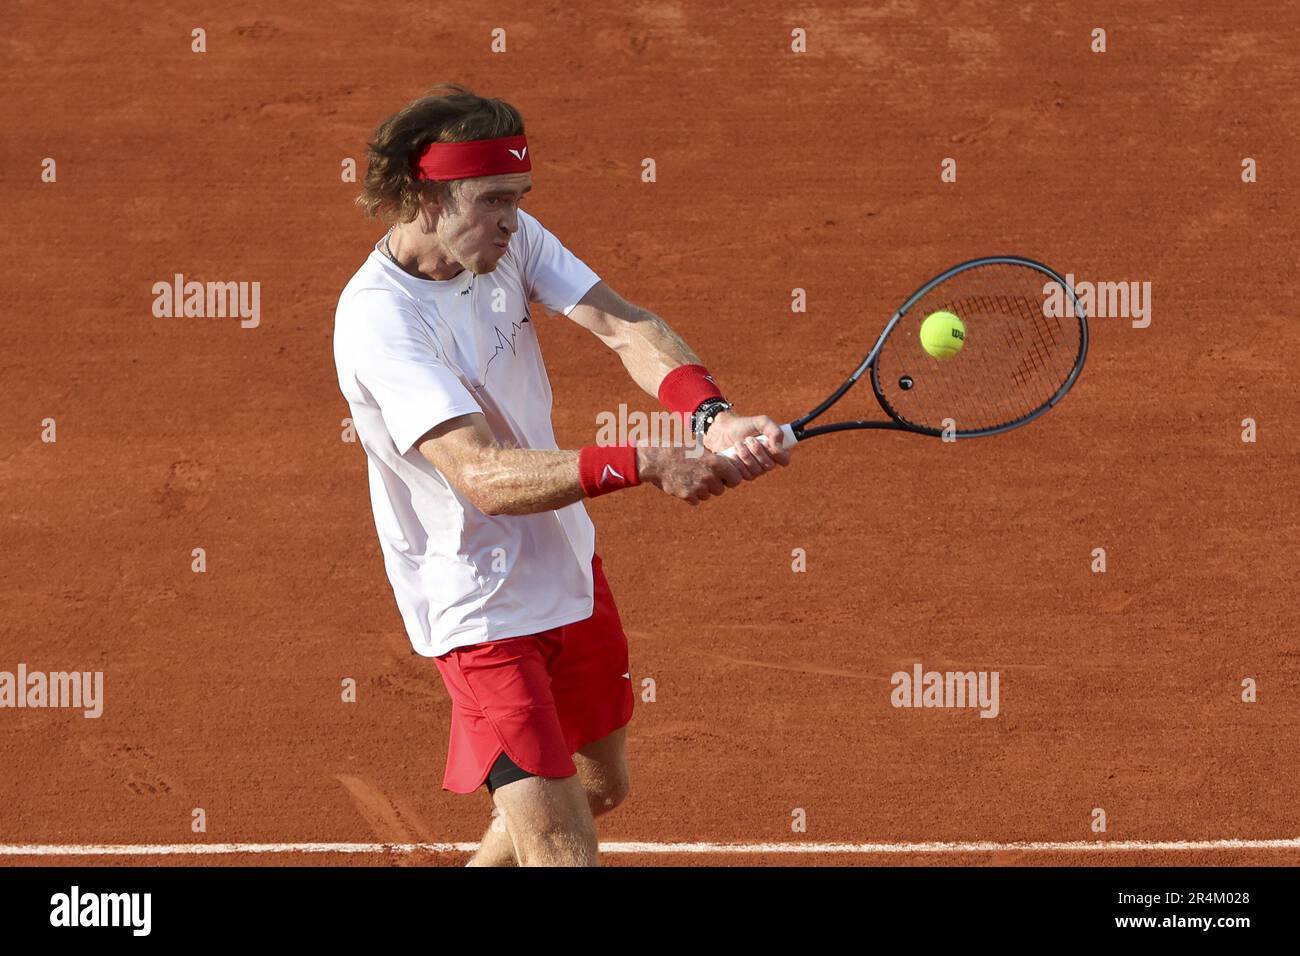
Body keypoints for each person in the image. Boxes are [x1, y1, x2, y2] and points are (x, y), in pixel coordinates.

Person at [333, 83, 791, 866]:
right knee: (559, 845)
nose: (513, 221)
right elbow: (481, 476)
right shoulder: (381, 321)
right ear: (423, 194)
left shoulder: (511, 241)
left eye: (520, 199)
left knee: (598, 786)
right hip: (472, 596)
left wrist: (714, 416)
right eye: (493, 202)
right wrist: (643, 462)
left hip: (564, 561)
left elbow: (620, 323)